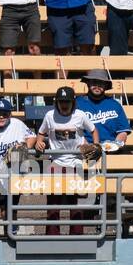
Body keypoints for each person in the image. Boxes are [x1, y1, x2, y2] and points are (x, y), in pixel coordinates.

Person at [37, 85, 99, 234]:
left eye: (67, 102)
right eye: (61, 102)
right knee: (53, 200)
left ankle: (76, 233)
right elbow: (41, 132)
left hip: (76, 160)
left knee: (75, 199)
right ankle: (52, 234)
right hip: (56, 160)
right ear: (56, 102)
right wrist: (40, 141)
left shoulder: (80, 115)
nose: (64, 105)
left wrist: (95, 146)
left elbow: (93, 130)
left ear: (73, 103)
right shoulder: (49, 116)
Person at [75, 68, 130, 149]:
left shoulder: (114, 105)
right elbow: (73, 131)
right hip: (86, 149)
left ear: (105, 86)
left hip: (111, 148)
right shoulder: (77, 103)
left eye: (100, 84)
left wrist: (115, 146)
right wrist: (88, 147)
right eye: (94, 83)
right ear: (88, 84)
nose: (97, 87)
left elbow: (123, 131)